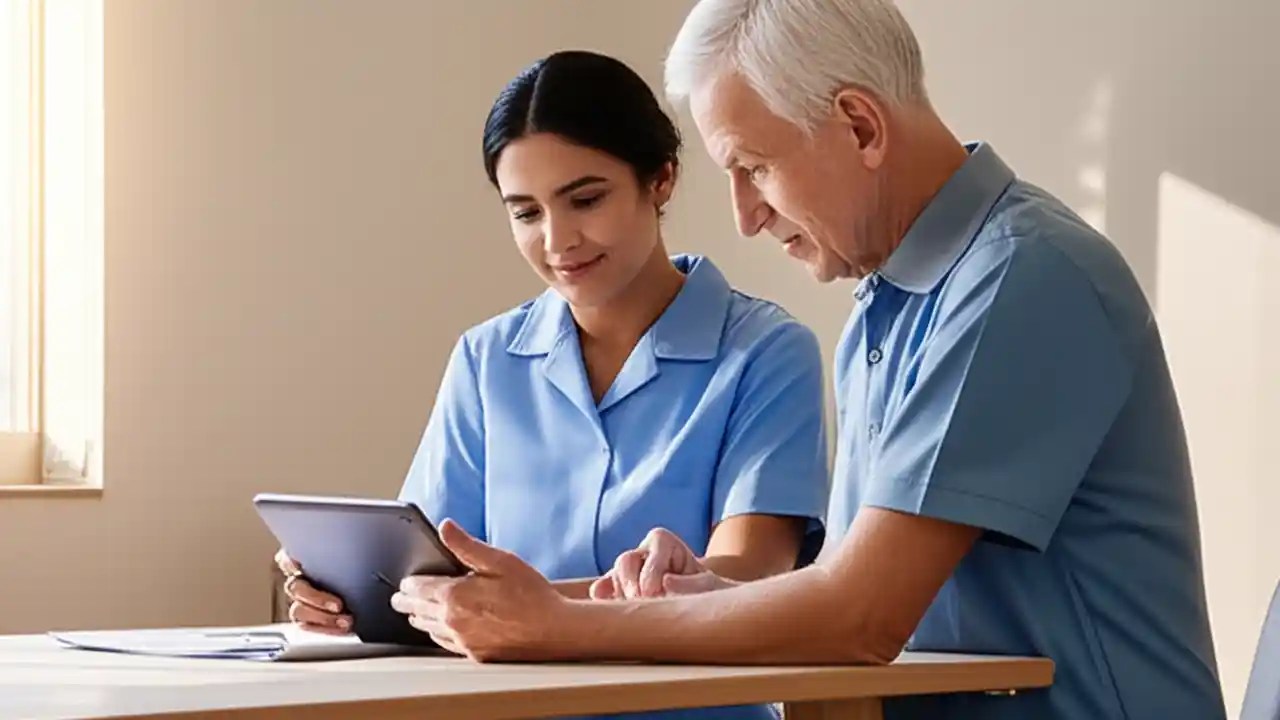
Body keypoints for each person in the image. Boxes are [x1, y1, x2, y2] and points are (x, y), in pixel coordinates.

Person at [387, 3, 1228, 719]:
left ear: (861, 126)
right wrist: (694, 595)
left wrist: (559, 628)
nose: (746, 217)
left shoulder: (1022, 277)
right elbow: (840, 588)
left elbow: (859, 617)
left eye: (753, 168)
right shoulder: (885, 309)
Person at [276, 49, 831, 720]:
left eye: (585, 199)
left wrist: (533, 611)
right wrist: (346, 593)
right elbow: (422, 575)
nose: (557, 240)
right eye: (525, 213)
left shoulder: (767, 354)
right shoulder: (486, 361)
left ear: (661, 181)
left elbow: (752, 577)